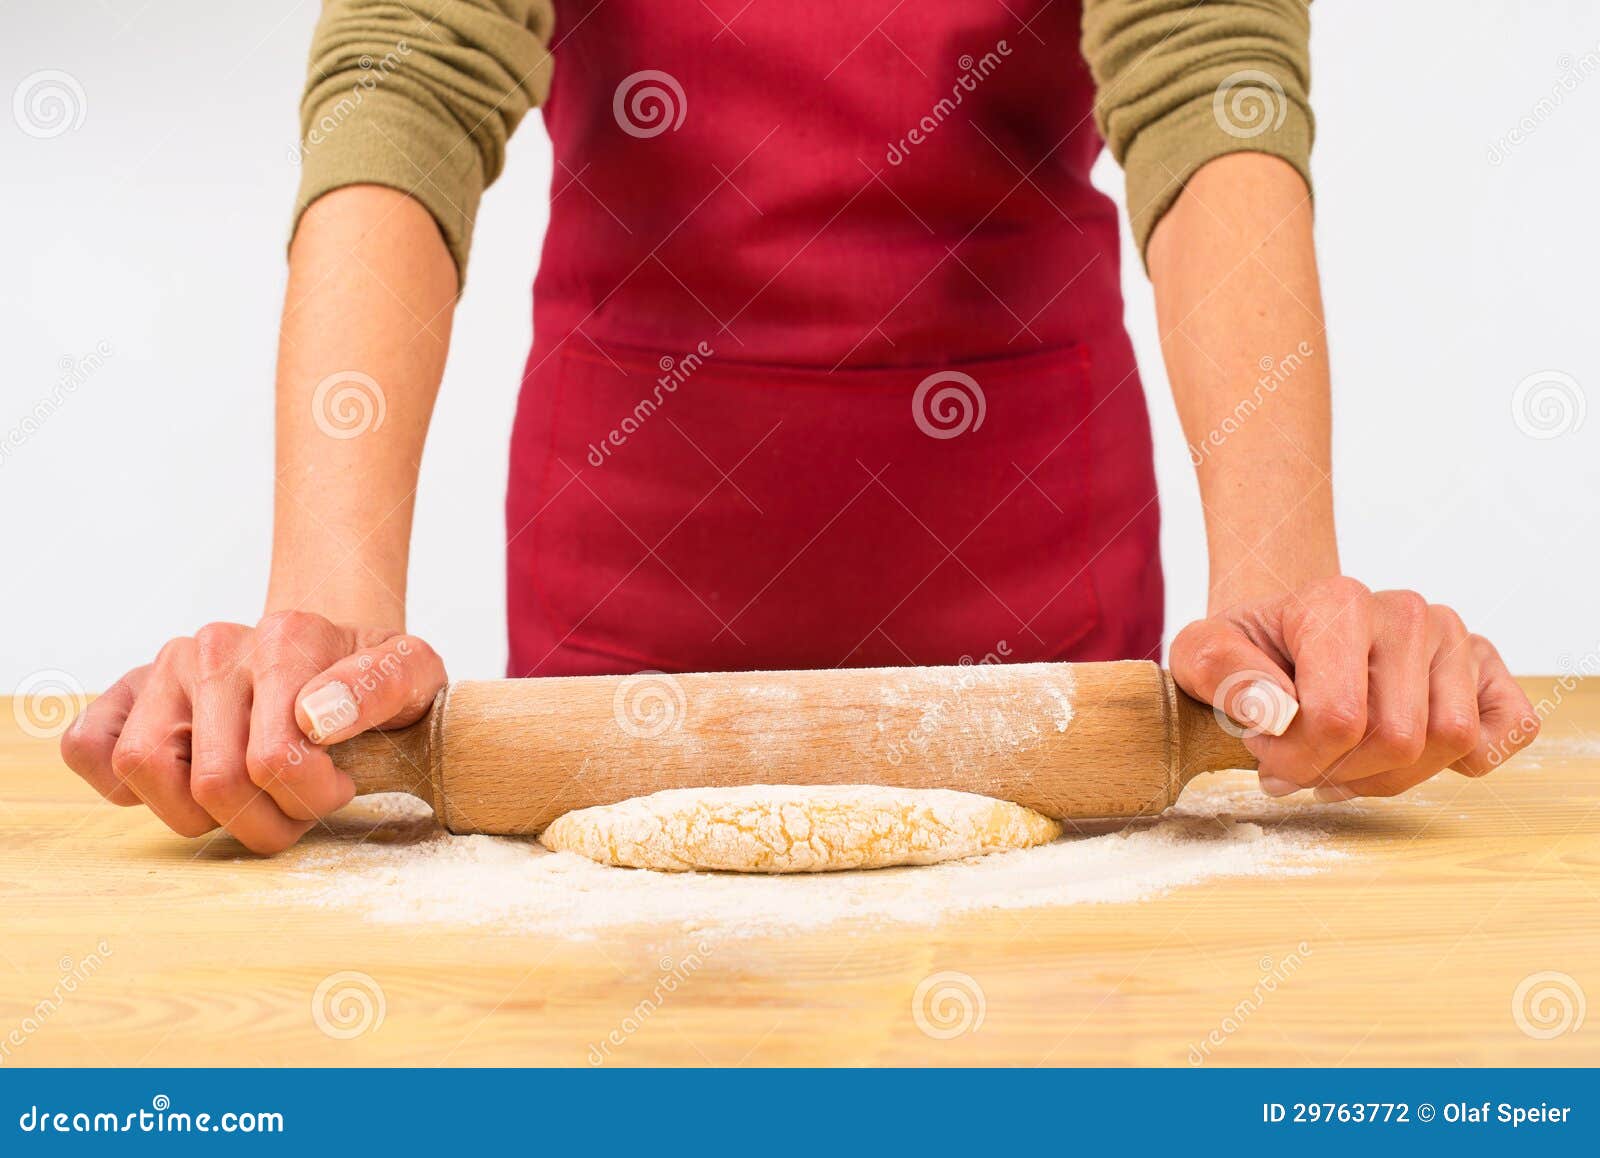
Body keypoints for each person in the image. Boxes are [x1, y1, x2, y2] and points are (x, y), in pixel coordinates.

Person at [61, 0, 1537, 853]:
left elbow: (1208, 73)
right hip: (626, 607)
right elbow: (412, 80)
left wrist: (1283, 605)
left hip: (1044, 630)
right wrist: (325, 628)